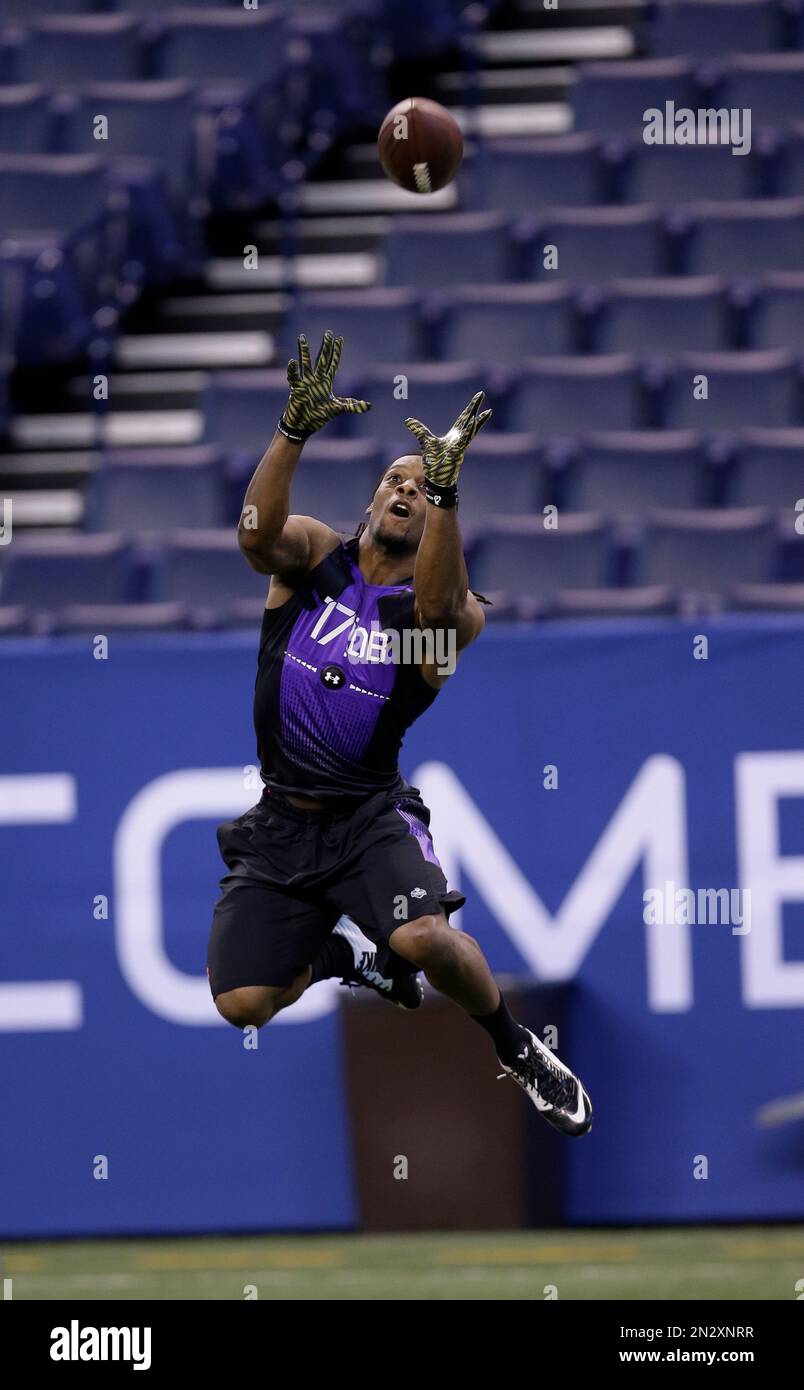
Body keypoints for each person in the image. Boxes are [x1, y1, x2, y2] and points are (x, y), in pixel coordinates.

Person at [206, 329, 592, 1137]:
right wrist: (292, 431)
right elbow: (251, 536)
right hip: (281, 818)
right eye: (395, 479)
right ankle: (352, 960)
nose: (405, 490)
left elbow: (440, 612)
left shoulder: (438, 622)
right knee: (242, 1002)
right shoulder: (315, 561)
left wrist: (451, 493)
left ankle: (517, 1048)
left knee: (427, 941)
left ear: (438, 518)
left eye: (423, 488)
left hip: (368, 818)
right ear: (370, 501)